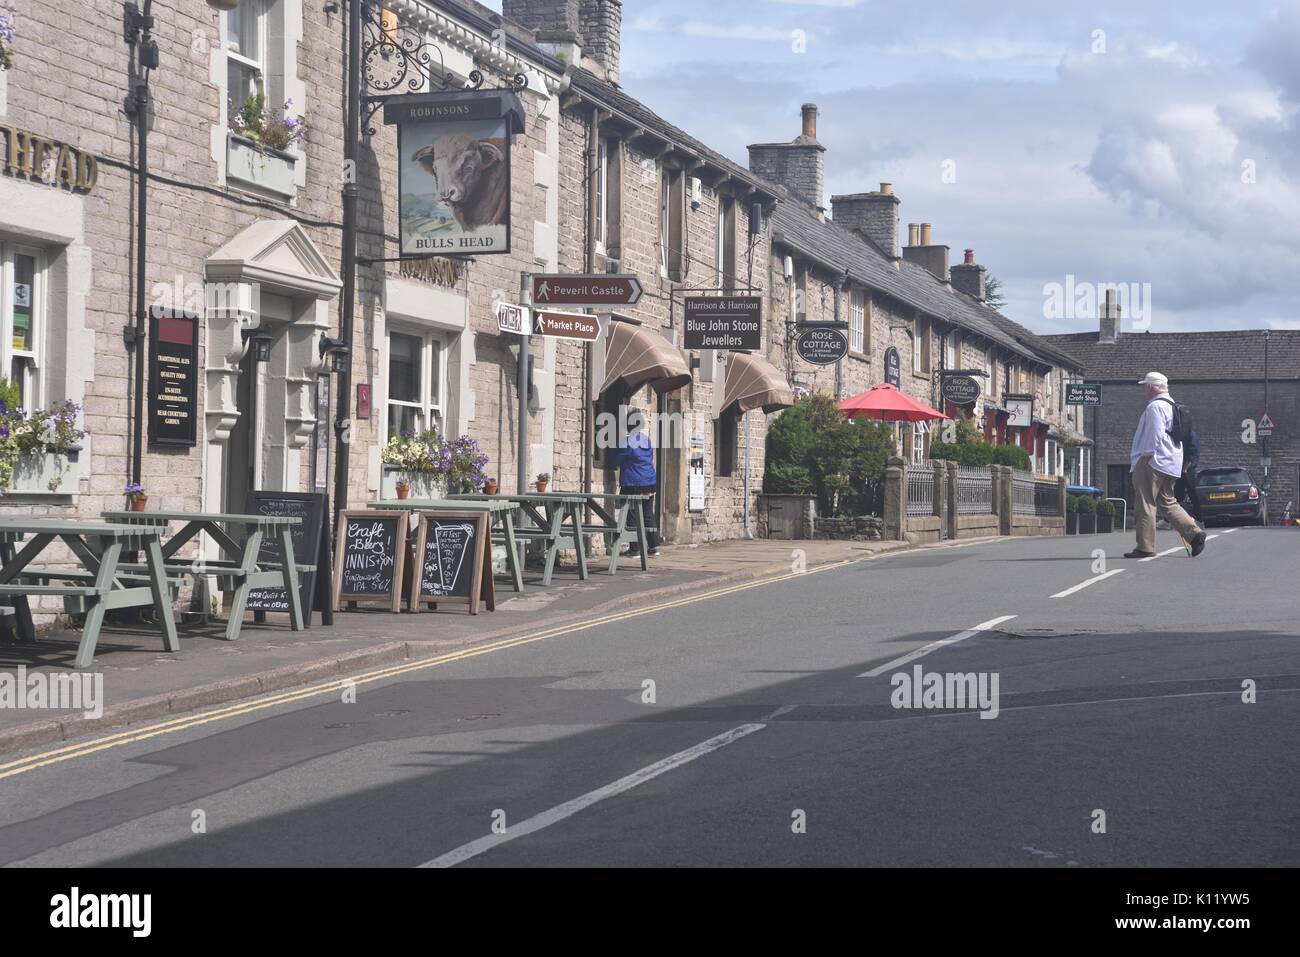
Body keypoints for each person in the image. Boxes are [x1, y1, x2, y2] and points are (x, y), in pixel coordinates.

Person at [1126, 372, 1206, 559]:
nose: (1145, 391)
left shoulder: (1155, 407)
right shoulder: (1173, 406)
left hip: (1154, 461)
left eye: (1145, 387)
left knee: (1145, 503)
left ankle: (1145, 546)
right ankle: (1194, 534)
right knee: (1168, 502)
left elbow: (1155, 432)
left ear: (1151, 387)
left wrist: (1147, 455)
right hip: (1172, 462)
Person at [609, 408, 659, 557]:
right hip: (649, 482)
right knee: (648, 514)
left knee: (631, 515)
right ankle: (654, 546)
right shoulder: (647, 440)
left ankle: (635, 548)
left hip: (633, 484)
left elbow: (615, 460)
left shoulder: (627, 442)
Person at [1173, 426, 1202, 522]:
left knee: (1191, 495)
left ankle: (1198, 518)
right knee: (1179, 496)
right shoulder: (1186, 435)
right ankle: (1178, 519)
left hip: (1187, 471)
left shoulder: (1190, 435)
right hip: (1183, 470)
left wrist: (1185, 469)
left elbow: (1192, 454)